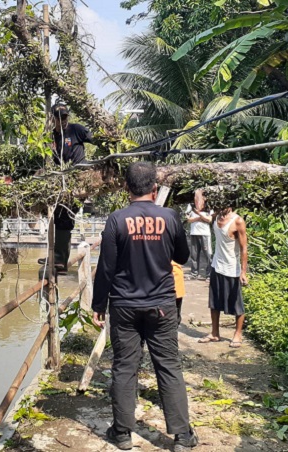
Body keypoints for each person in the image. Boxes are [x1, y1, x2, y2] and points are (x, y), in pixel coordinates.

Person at [92, 162, 198, 451]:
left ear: (126, 187)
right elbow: (183, 256)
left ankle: (122, 433)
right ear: (154, 188)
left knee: (125, 367)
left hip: (124, 306)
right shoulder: (170, 217)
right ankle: (182, 437)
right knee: (168, 367)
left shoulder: (116, 220)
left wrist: (98, 305)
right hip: (162, 305)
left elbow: (106, 268)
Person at [41, 102, 94, 273]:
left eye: (64, 117)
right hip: (59, 181)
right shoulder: (50, 137)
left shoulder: (76, 130)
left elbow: (98, 140)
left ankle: (58, 260)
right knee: (58, 218)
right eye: (59, 118)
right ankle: (58, 260)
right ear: (53, 118)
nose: (62, 121)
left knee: (63, 218)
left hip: (77, 180)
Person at [198, 205, 249, 348]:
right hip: (216, 265)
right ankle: (215, 333)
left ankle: (238, 334)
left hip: (232, 268)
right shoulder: (216, 216)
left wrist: (243, 272)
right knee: (214, 301)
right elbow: (205, 215)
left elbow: (244, 247)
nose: (219, 206)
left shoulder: (237, 221)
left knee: (236, 303)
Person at [185, 190, 213, 280]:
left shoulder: (208, 206)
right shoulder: (191, 206)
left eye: (199, 196)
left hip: (205, 234)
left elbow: (209, 220)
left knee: (208, 255)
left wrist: (198, 214)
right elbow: (188, 219)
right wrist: (200, 217)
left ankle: (209, 274)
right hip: (194, 233)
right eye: (195, 196)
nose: (196, 198)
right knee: (194, 255)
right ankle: (194, 273)